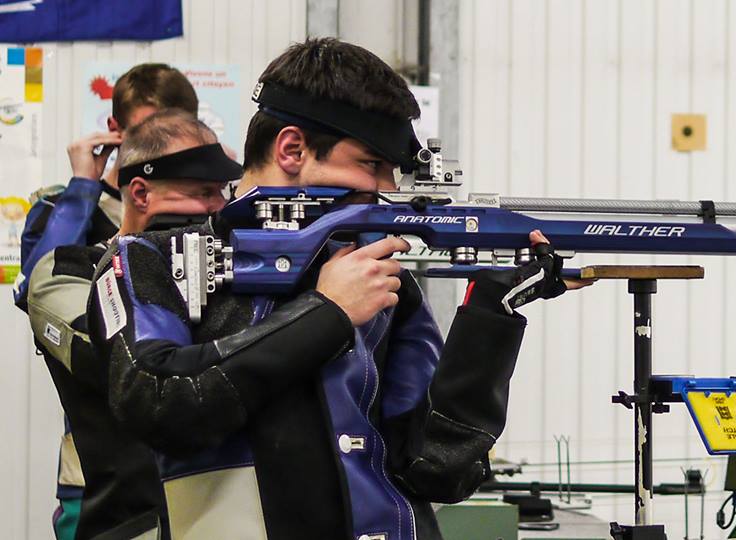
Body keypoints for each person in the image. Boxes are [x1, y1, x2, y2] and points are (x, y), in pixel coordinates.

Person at [90, 38, 583, 540]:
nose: (388, 189)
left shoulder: (379, 272)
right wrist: (327, 312)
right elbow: (156, 401)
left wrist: (489, 316)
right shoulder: (148, 259)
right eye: (371, 165)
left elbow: (439, 469)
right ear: (292, 149)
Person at [28, 109, 238, 540]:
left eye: (224, 192)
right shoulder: (68, 271)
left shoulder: (230, 271)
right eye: (202, 192)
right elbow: (117, 357)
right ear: (140, 193)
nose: (218, 208)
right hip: (124, 523)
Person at [15, 62, 199, 310]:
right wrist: (82, 189)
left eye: (176, 133)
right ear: (115, 129)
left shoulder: (207, 204)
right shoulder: (57, 207)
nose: (163, 146)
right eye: (146, 132)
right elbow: (33, 295)